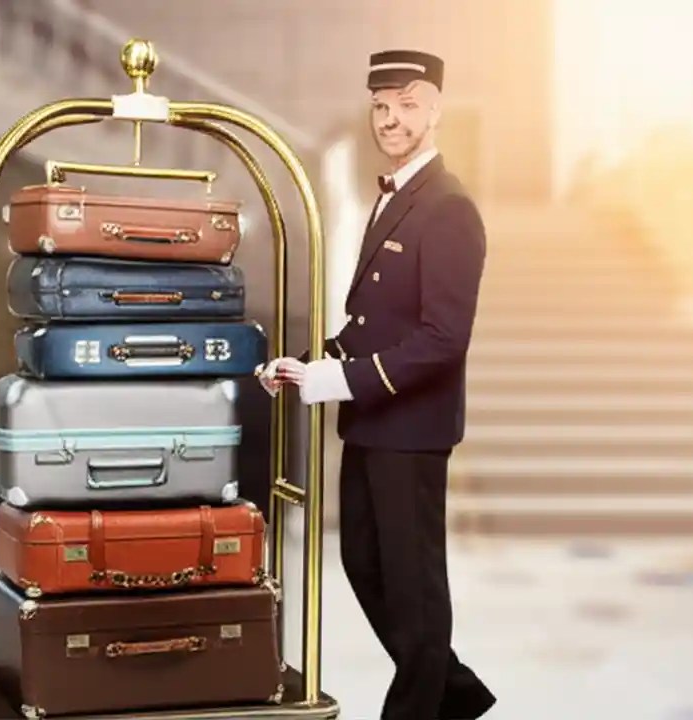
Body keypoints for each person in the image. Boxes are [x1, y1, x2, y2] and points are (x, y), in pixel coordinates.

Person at [256, 49, 495, 720]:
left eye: (408, 105)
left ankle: (421, 707)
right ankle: (456, 692)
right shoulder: (396, 197)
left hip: (411, 430)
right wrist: (307, 363)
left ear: (437, 110)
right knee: (364, 565)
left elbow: (444, 339)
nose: (391, 120)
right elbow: (370, 323)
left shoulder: (449, 208)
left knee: (415, 590)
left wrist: (342, 378)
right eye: (382, 107)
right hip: (371, 420)